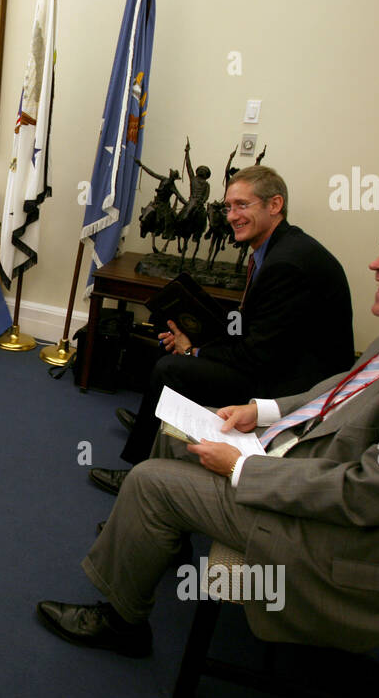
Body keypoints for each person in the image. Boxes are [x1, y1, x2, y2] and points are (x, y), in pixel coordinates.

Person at [39, 202, 379, 656]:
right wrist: (261, 412)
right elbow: (343, 387)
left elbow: (370, 497)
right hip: (321, 467)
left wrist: (245, 469)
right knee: (184, 431)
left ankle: (121, 623)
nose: (377, 263)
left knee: (153, 482)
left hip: (352, 550)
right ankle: (155, 540)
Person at [89, 166, 354, 496]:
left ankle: (138, 468)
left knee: (172, 367)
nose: (231, 216)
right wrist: (196, 338)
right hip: (278, 357)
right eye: (228, 207)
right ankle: (152, 424)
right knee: (169, 341)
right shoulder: (277, 248)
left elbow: (258, 354)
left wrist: (195, 350)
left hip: (294, 385)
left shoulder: (287, 263)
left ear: (275, 205)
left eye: (242, 205)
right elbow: (253, 325)